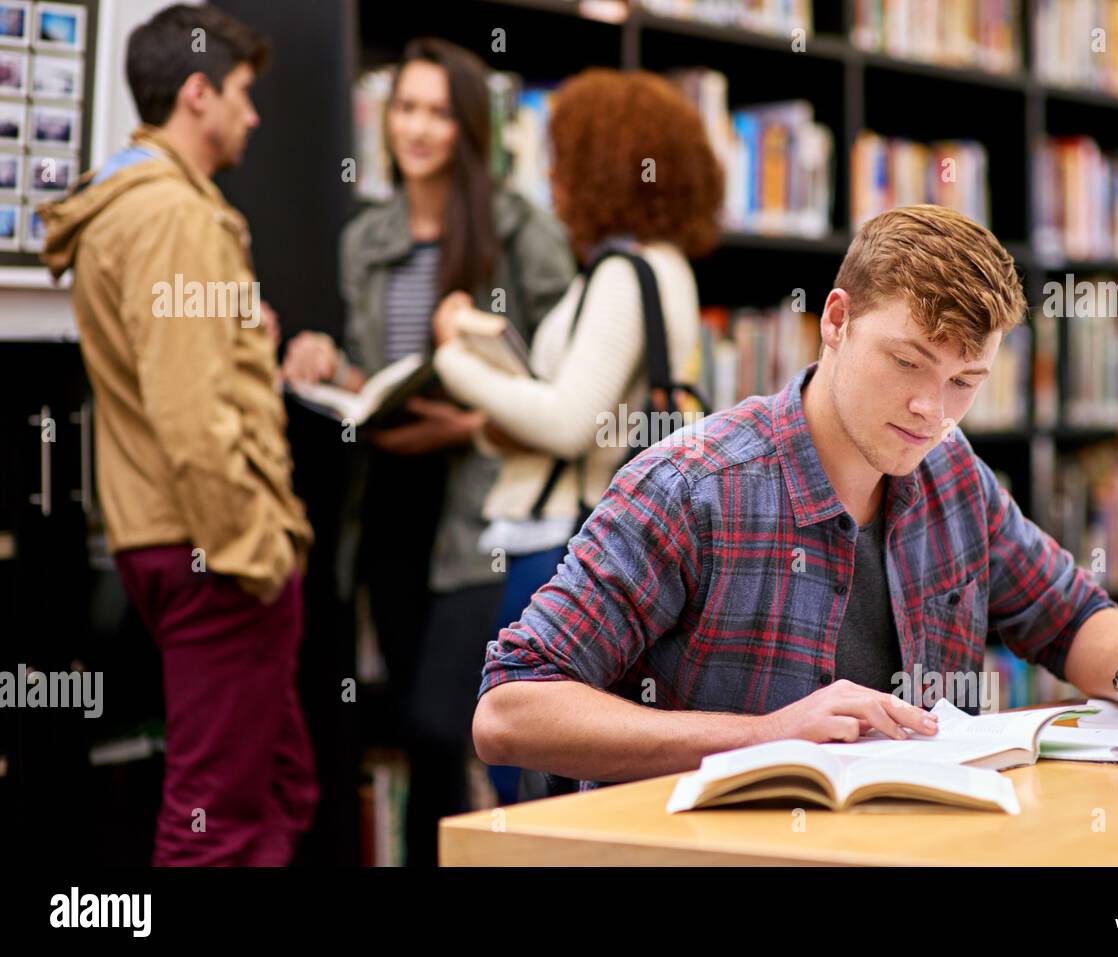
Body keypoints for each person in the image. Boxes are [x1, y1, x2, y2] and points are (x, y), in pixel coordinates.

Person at [469, 204, 1118, 788]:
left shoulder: (952, 474)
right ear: (835, 320)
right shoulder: (691, 485)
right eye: (907, 362)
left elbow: (1070, 614)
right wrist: (766, 736)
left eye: (964, 383)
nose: (932, 410)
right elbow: (509, 710)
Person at [281, 38, 572, 864]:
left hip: (484, 501)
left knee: (453, 722)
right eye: (404, 106)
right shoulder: (366, 235)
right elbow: (381, 369)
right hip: (388, 500)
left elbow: (561, 384)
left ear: (472, 126)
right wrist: (328, 366)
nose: (416, 126)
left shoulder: (522, 232)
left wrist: (471, 421)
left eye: (439, 111)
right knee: (414, 724)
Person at [39, 4, 317, 865]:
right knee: (215, 822)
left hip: (171, 538)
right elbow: (191, 416)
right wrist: (254, 548)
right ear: (197, 94)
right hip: (213, 549)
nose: (253, 115)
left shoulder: (133, 206)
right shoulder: (174, 217)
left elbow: (178, 370)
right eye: (241, 94)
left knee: (273, 786)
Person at [431, 69, 723, 798]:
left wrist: (452, 358)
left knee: (518, 748)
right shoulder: (668, 268)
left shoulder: (624, 273)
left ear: (603, 164)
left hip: (560, 535)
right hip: (586, 521)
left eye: (564, 156)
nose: (552, 175)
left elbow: (570, 420)